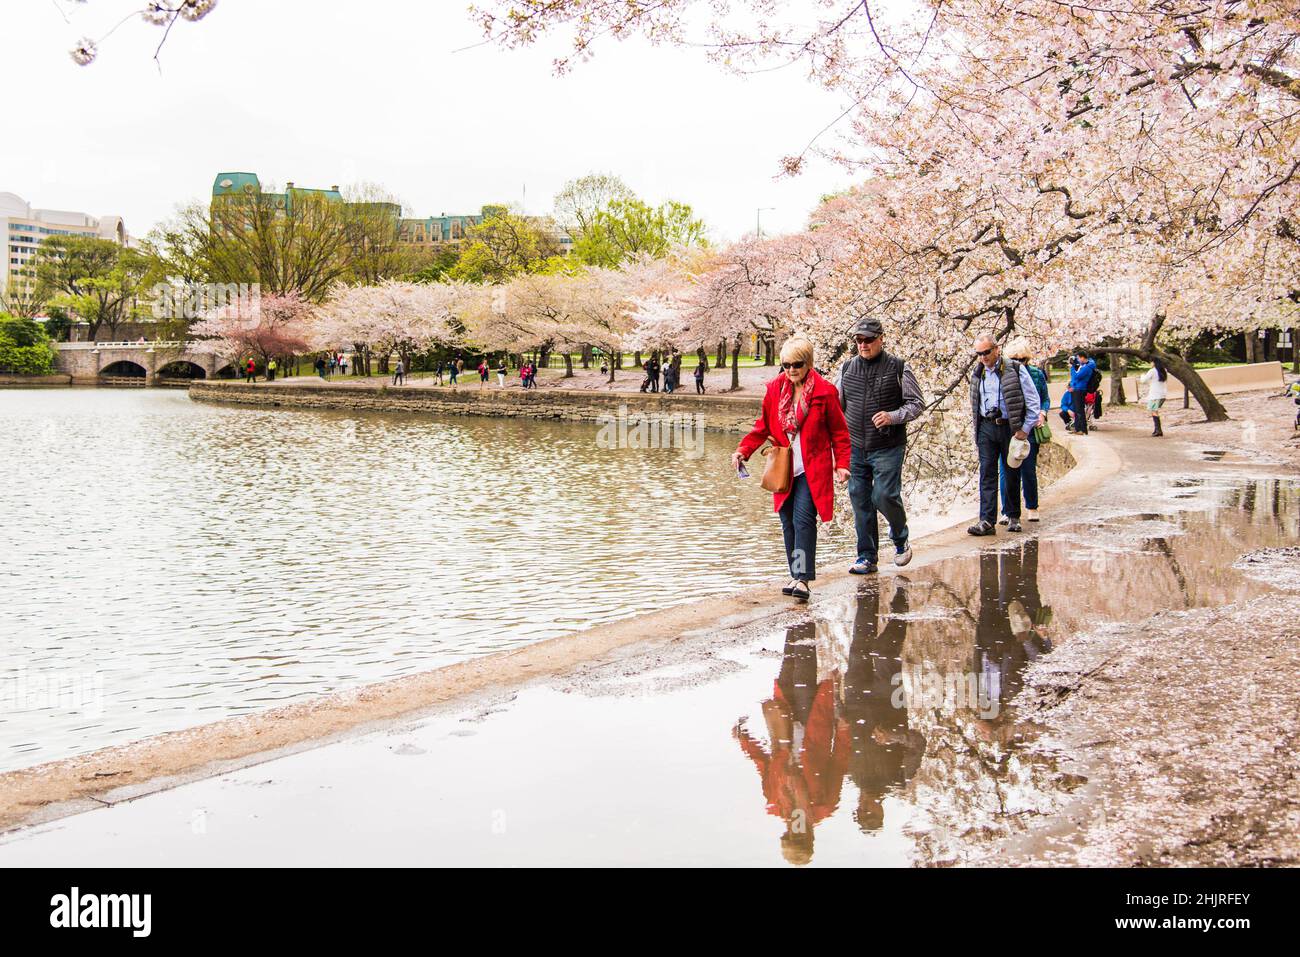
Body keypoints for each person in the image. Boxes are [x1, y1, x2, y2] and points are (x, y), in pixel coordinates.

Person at [733, 336, 851, 601]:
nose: (791, 370)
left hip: (813, 468)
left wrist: (842, 464)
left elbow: (840, 433)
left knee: (803, 519)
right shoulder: (775, 389)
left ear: (808, 363)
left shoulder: (824, 391)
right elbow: (761, 426)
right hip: (784, 467)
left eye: (796, 364)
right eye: (786, 364)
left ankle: (803, 578)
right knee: (787, 521)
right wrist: (743, 450)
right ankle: (795, 573)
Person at [837, 318, 924, 574]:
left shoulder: (899, 367)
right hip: (855, 447)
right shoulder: (846, 369)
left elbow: (917, 404)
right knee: (860, 501)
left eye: (868, 339)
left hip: (888, 445)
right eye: (859, 340)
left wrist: (892, 416)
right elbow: (837, 406)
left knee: (884, 495)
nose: (863, 345)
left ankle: (900, 538)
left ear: (881, 338)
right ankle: (866, 556)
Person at [967, 333, 1041, 536]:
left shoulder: (1015, 369)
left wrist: (1025, 429)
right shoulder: (978, 372)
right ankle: (986, 521)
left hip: (1010, 427)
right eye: (979, 354)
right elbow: (975, 402)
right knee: (987, 474)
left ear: (996, 349)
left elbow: (1033, 400)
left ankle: (1013, 516)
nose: (983, 357)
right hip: (986, 427)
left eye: (986, 352)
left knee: (1011, 472)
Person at [999, 339, 1049, 523]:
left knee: (1028, 469)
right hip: (1007, 427)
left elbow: (1044, 398)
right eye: (1014, 359)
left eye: (1022, 360)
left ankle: (1032, 506)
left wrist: (1042, 413)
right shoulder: (1003, 375)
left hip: (1030, 427)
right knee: (1006, 469)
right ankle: (1007, 509)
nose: (1019, 363)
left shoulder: (1036, 374)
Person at [1067, 350, 1097, 435]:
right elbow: (1079, 365)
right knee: (1077, 409)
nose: (1078, 360)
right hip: (1077, 388)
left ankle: (1083, 430)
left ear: (1083, 358)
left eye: (1078, 358)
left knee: (1079, 410)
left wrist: (1072, 367)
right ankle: (1077, 429)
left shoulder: (1087, 367)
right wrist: (1074, 361)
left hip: (1080, 389)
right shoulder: (1086, 364)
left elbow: (1077, 376)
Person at [1140, 358, 1168, 437]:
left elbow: (1143, 380)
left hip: (1155, 395)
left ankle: (1158, 430)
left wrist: (1142, 375)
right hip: (1162, 394)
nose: (1150, 363)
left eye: (1151, 362)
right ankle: (1157, 430)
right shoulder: (1163, 371)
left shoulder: (1152, 371)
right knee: (1154, 410)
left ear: (1154, 363)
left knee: (1153, 411)